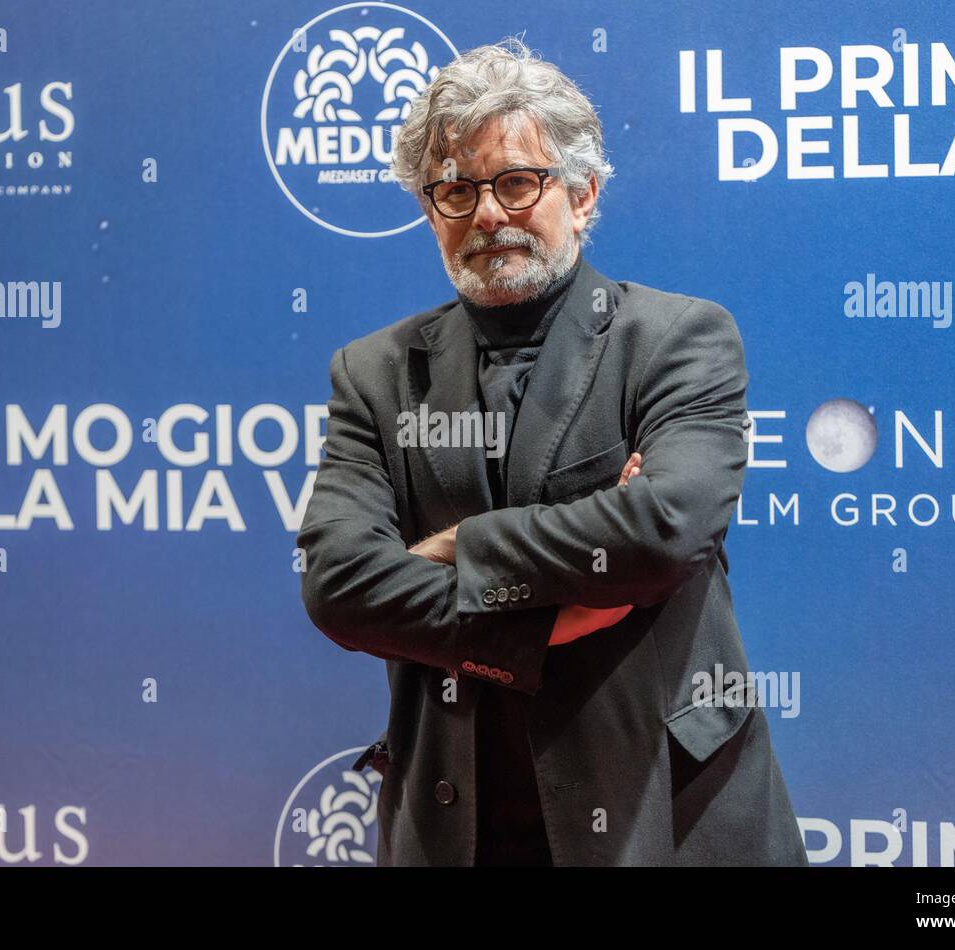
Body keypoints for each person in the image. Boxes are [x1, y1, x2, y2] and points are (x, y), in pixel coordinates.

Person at [297, 37, 807, 866]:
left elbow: (663, 532)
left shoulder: (677, 339)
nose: (487, 215)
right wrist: (541, 625)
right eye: (456, 190)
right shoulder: (373, 374)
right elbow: (340, 587)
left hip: (663, 810)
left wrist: (460, 547)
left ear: (583, 193)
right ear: (430, 211)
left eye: (516, 182)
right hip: (457, 825)